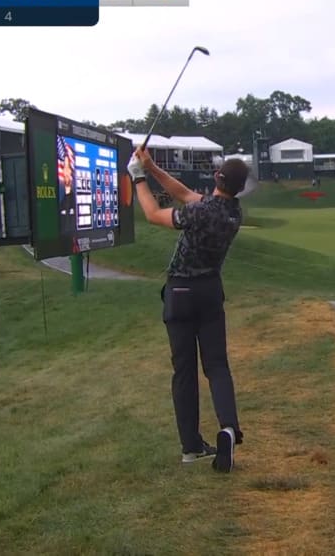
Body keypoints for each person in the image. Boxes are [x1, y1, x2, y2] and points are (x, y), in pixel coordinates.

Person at [127, 145, 250, 472]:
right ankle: (228, 427)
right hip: (210, 292)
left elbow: (154, 215)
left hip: (179, 293)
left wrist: (138, 178)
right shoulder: (233, 213)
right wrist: (151, 167)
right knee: (217, 366)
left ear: (215, 177)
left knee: (184, 371)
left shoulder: (199, 211)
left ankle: (191, 447)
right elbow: (183, 193)